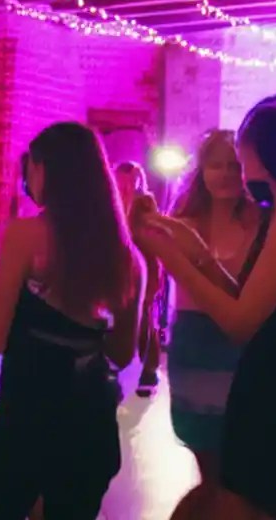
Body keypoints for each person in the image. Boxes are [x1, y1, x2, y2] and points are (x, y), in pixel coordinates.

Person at [136, 94, 276, 519]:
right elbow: (248, 297)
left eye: (242, 149)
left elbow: (240, 321)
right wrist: (191, 251)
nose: (237, 161)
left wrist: (170, 260)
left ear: (265, 151)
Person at [0, 122, 144, 519]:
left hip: (26, 420)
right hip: (89, 425)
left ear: (46, 169)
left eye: (30, 166)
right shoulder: (126, 256)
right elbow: (121, 353)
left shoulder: (25, 236)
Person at [164, 130, 267, 519]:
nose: (225, 174)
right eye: (216, 164)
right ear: (202, 170)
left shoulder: (261, 222)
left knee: (240, 457)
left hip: (241, 345)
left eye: (234, 165)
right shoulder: (182, 222)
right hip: (195, 343)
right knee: (206, 456)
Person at [114, 161, 163, 397]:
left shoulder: (144, 203)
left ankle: (150, 370)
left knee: (144, 317)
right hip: (125, 265)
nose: (127, 183)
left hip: (145, 264)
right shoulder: (115, 201)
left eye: (131, 178)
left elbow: (150, 234)